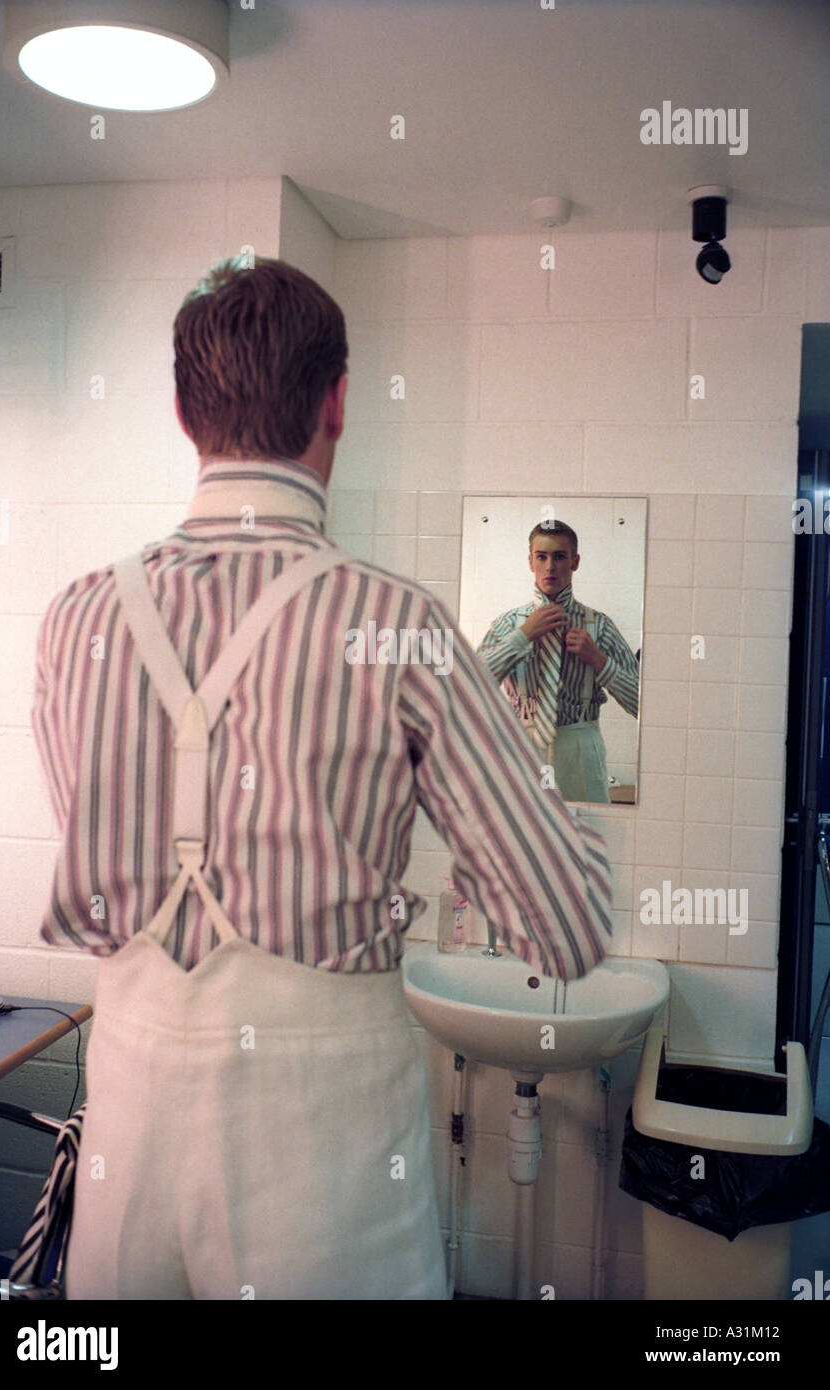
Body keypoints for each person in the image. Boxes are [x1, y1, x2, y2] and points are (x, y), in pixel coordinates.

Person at [31, 259, 613, 1301]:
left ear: (179, 409)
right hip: (325, 1169)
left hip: (126, 1155)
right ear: (337, 401)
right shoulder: (398, 623)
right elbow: (564, 927)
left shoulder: (76, 620)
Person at [477, 521, 639, 803]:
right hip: (520, 747)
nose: (550, 566)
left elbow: (643, 706)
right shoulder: (507, 626)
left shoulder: (600, 626)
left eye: (559, 556)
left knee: (587, 838)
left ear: (575, 562)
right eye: (542, 556)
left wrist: (600, 662)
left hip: (581, 752)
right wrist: (522, 637)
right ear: (531, 562)